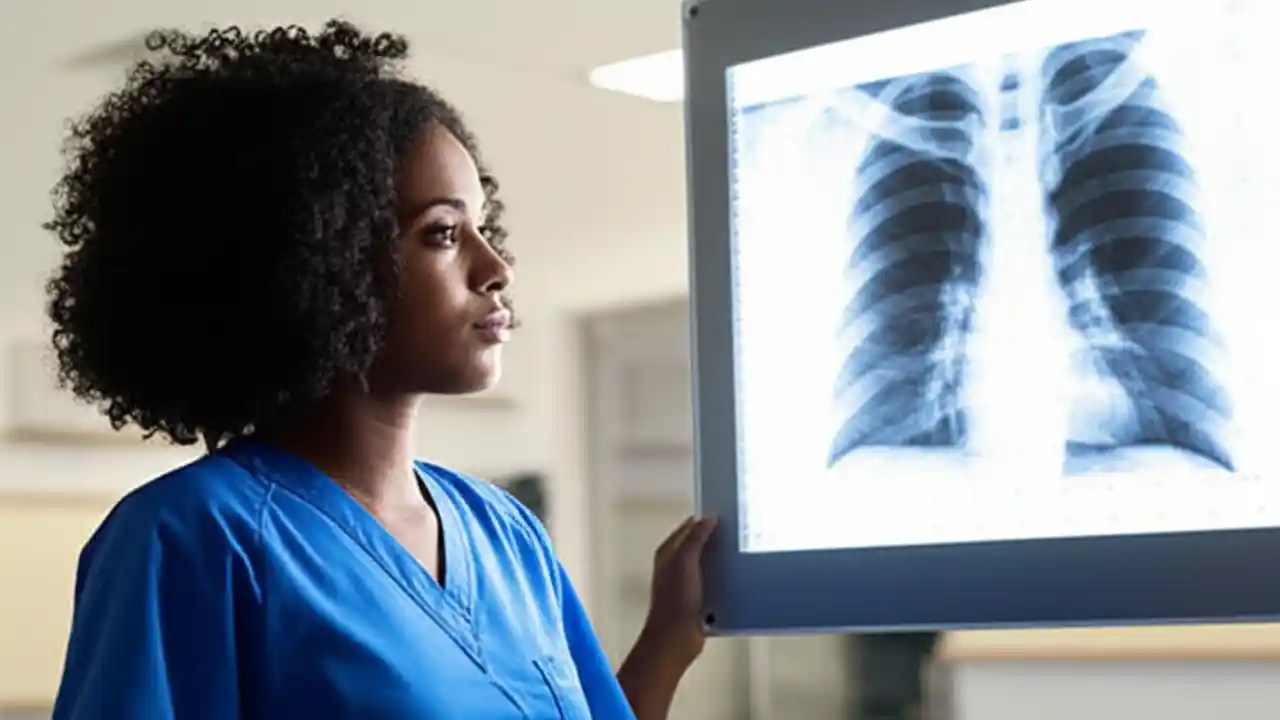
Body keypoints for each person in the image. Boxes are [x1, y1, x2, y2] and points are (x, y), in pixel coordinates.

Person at [45, 20, 716, 720]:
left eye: (484, 230)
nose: (496, 269)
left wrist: (668, 639)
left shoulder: (507, 534)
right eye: (443, 234)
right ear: (318, 259)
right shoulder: (193, 535)